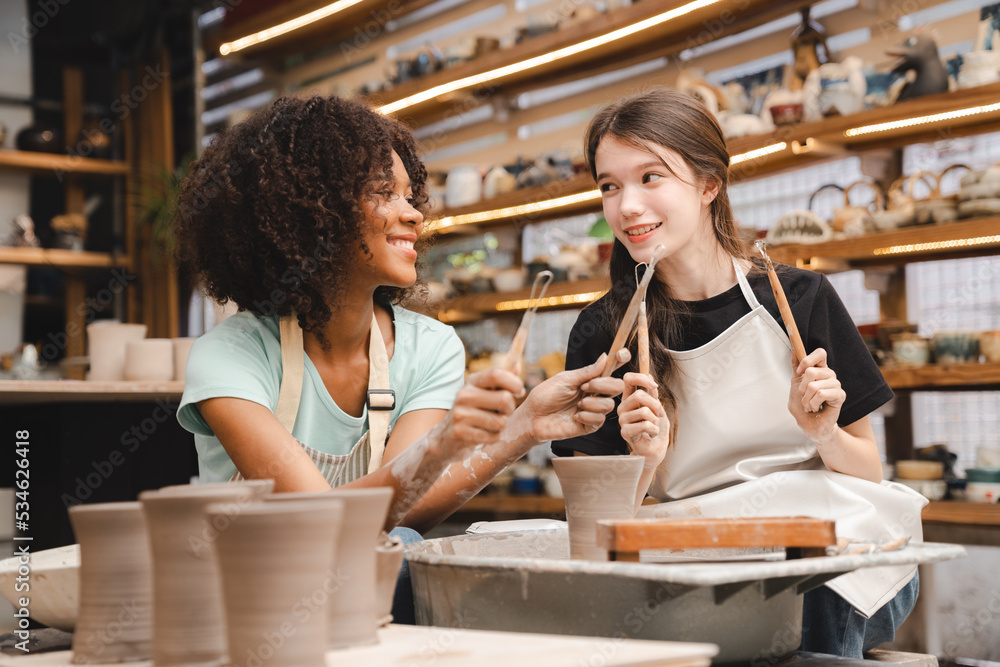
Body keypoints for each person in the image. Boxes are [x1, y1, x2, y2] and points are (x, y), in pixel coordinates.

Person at [552, 88, 922, 656]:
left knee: (818, 590)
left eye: (651, 177)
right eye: (609, 185)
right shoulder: (606, 335)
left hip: (835, 542)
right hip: (702, 555)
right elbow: (593, 532)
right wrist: (643, 465)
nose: (625, 206)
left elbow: (869, 470)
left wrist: (823, 434)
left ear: (708, 185)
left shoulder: (800, 298)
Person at [173, 94, 627, 539]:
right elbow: (315, 523)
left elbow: (399, 514)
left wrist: (522, 428)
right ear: (310, 213)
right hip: (249, 594)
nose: (413, 215)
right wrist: (442, 445)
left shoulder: (429, 347)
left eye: (410, 196)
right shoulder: (229, 356)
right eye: (383, 193)